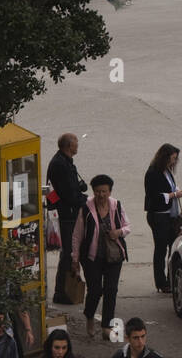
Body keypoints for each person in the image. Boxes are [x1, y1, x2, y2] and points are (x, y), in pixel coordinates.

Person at [72, 174, 131, 339]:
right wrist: (75, 259)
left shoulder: (117, 205)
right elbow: (77, 235)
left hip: (113, 256)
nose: (101, 195)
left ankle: (107, 326)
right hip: (92, 258)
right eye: (98, 191)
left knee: (111, 290)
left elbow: (127, 226)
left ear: (110, 191)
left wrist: (118, 232)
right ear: (93, 191)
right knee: (95, 290)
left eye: (104, 191)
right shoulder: (85, 209)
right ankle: (90, 316)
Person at [47, 132, 86, 305]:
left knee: (70, 252)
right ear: (69, 146)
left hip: (69, 212)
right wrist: (85, 201)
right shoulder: (60, 164)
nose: (77, 145)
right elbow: (67, 193)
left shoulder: (65, 162)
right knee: (68, 253)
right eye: (76, 143)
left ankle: (64, 290)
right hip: (67, 214)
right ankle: (61, 292)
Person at [143, 143, 182, 294]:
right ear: (165, 157)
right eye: (172, 158)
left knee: (172, 247)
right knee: (161, 249)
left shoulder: (167, 171)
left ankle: (171, 279)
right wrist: (175, 195)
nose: (174, 162)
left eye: (175, 159)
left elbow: (170, 187)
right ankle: (161, 282)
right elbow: (155, 197)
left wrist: (178, 191)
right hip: (158, 216)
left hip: (170, 215)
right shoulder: (153, 173)